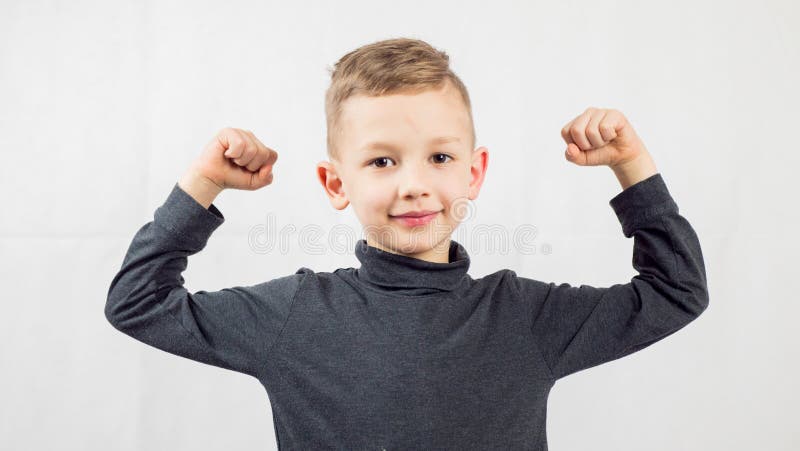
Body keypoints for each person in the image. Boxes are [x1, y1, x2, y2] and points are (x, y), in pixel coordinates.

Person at [105, 37, 709, 449]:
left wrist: (632, 166)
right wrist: (204, 183)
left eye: (440, 157)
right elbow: (136, 303)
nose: (414, 185)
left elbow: (677, 293)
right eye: (383, 161)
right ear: (335, 183)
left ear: (474, 172)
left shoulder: (525, 317)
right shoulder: (295, 316)